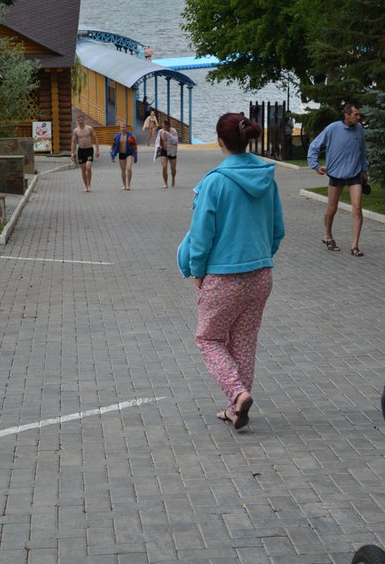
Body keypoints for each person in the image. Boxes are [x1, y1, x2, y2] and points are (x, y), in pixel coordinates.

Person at [177, 113, 285, 430]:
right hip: (260, 274)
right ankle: (236, 410)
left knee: (208, 338)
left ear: (220, 141)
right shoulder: (267, 179)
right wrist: (262, 255)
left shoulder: (215, 182)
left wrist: (197, 271)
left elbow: (201, 236)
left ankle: (237, 395)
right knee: (244, 341)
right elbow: (277, 229)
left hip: (223, 277)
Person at [307, 104, 368, 256]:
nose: (358, 117)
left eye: (358, 114)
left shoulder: (359, 128)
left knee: (357, 207)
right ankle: (328, 236)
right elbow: (314, 146)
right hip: (336, 175)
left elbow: (362, 151)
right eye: (355, 114)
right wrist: (315, 165)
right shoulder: (332, 128)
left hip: (355, 174)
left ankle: (355, 246)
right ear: (346, 115)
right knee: (332, 208)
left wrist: (364, 170)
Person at [71, 115, 100, 192]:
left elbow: (95, 138)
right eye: (79, 120)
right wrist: (72, 153)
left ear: (84, 120)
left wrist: (97, 150)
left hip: (89, 150)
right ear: (77, 121)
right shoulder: (76, 130)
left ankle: (89, 184)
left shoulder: (89, 128)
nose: (80, 121)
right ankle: (86, 186)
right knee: (83, 169)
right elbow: (73, 142)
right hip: (81, 151)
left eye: (81, 120)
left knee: (88, 167)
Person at [110, 121, 138, 190]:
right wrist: (112, 156)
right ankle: (124, 185)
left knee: (129, 168)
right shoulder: (117, 136)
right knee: (123, 170)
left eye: (124, 127)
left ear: (126, 128)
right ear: (120, 128)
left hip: (129, 154)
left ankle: (128, 185)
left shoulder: (130, 136)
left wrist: (135, 156)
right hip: (121, 154)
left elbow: (134, 146)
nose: (123, 128)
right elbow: (113, 146)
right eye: (121, 127)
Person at [154, 119, 178, 189]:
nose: (164, 128)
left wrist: (168, 134)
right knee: (164, 167)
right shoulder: (160, 131)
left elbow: (175, 140)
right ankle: (165, 183)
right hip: (164, 151)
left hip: (172, 151)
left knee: (173, 169)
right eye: (163, 127)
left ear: (169, 126)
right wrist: (158, 147)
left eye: (165, 127)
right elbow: (157, 141)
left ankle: (173, 178)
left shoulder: (173, 131)